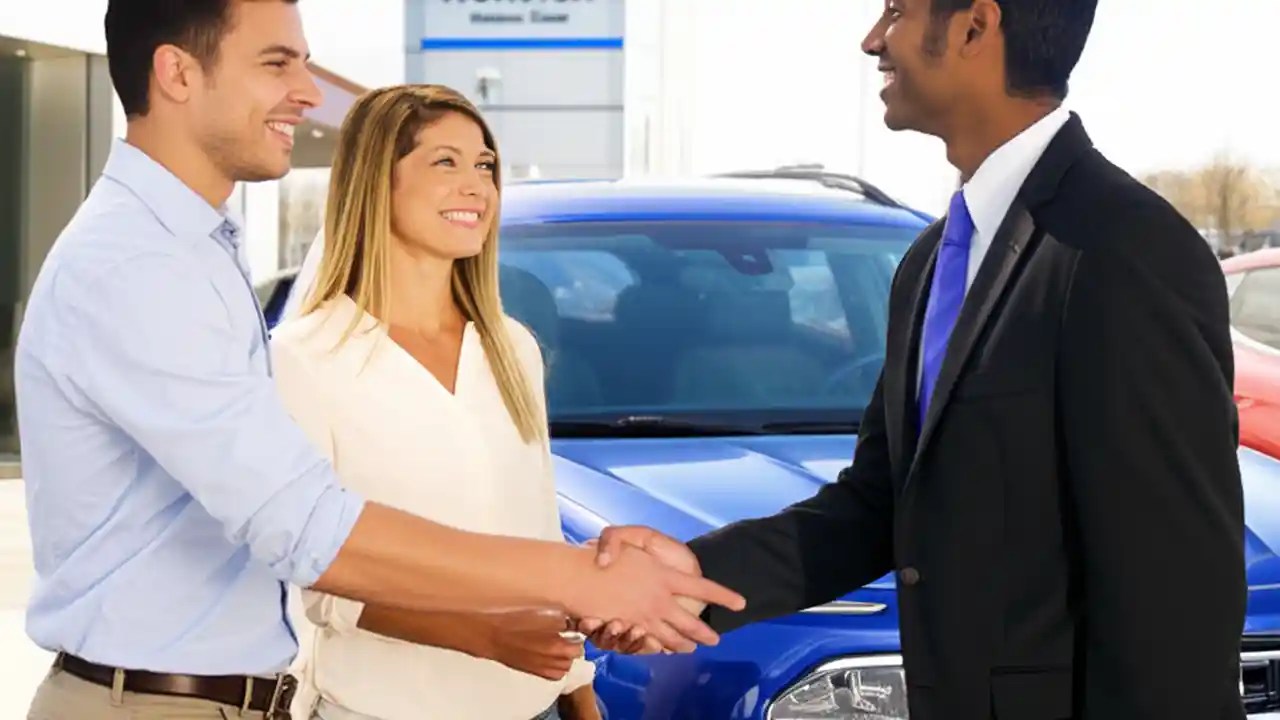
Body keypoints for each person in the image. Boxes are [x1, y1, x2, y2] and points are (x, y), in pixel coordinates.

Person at [14, 2, 743, 718]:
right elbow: (304, 530)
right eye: (277, 63)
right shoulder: (139, 267)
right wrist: (584, 579)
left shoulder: (195, 252)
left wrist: (573, 634)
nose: (307, 89)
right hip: (155, 706)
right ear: (176, 73)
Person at [586, 0, 1247, 718]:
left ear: (974, 27)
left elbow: (1176, 592)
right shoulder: (933, 261)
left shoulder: (1123, 251)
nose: (873, 39)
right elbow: (880, 506)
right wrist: (698, 573)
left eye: (896, 10)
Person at [273, 84, 599, 720]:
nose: (475, 185)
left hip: (530, 709)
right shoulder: (305, 356)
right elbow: (311, 577)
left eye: (485, 166)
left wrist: (580, 694)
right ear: (376, 182)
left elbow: (538, 537)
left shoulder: (512, 349)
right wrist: (483, 635)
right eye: (445, 162)